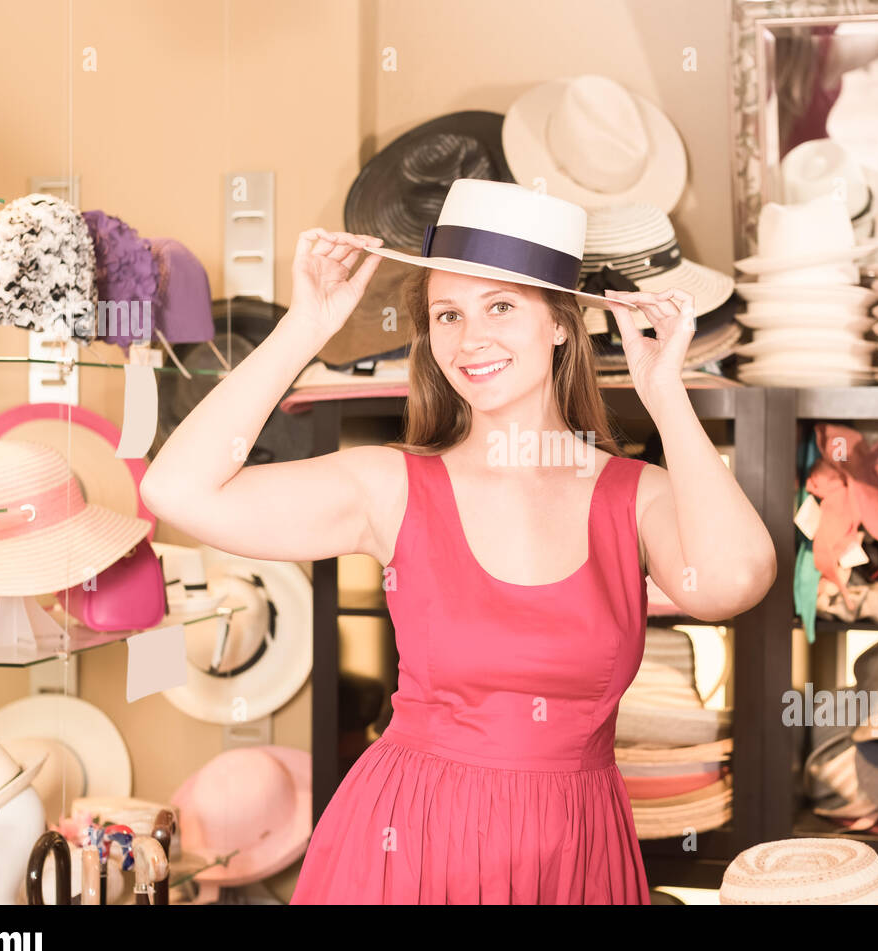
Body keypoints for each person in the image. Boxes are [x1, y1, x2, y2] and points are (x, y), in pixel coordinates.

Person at [140, 179, 776, 904]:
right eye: (448, 314)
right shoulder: (392, 487)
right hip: (408, 846)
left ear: (561, 323)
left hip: (573, 851)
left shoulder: (635, 494)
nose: (471, 339)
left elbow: (735, 581)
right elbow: (176, 491)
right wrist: (305, 329)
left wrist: (667, 394)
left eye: (500, 306)